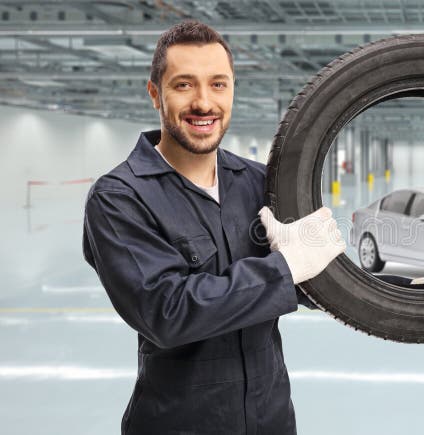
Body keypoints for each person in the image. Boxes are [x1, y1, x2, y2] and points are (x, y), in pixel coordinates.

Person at [82, 20, 344, 434]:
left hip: (271, 419)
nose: (204, 103)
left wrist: (391, 286)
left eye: (218, 84)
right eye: (184, 85)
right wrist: (287, 265)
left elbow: (309, 281)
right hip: (177, 424)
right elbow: (166, 311)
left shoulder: (262, 182)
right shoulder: (119, 198)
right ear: (155, 94)